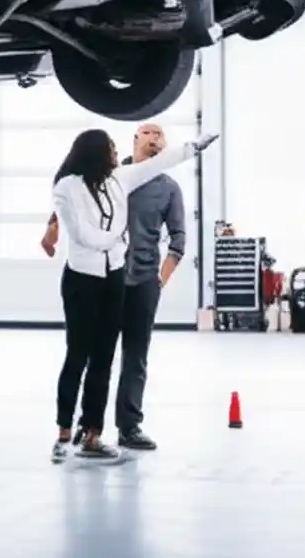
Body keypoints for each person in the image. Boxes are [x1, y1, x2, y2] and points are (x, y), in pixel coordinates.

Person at [47, 128, 218, 465]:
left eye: (160, 134)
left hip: (127, 280)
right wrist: (111, 238)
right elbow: (78, 225)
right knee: (83, 355)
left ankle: (110, 429)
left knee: (118, 358)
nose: (155, 137)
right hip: (92, 281)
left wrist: (194, 147)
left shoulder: (141, 183)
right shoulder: (84, 182)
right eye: (147, 132)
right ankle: (70, 429)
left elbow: (161, 174)